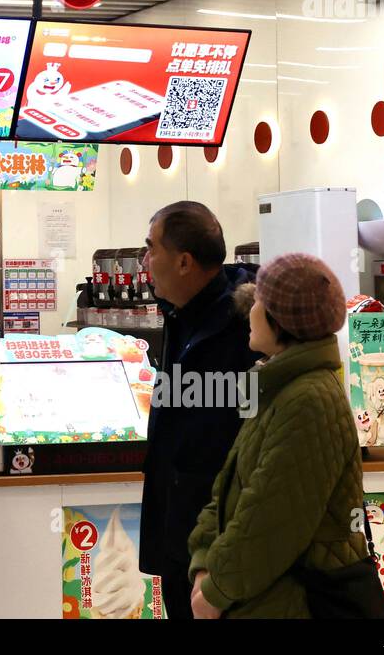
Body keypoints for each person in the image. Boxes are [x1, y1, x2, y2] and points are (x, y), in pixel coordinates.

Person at [188, 253, 371, 618]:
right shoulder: (277, 387)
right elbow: (230, 490)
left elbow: (271, 520)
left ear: (280, 321)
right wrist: (204, 559)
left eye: (258, 302)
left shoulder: (308, 400)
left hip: (295, 603)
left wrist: (215, 589)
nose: (249, 311)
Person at [138, 201, 257, 620]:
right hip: (176, 528)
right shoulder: (177, 315)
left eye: (151, 248)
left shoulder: (249, 326)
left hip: (220, 541)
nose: (146, 261)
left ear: (184, 261)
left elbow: (253, 445)